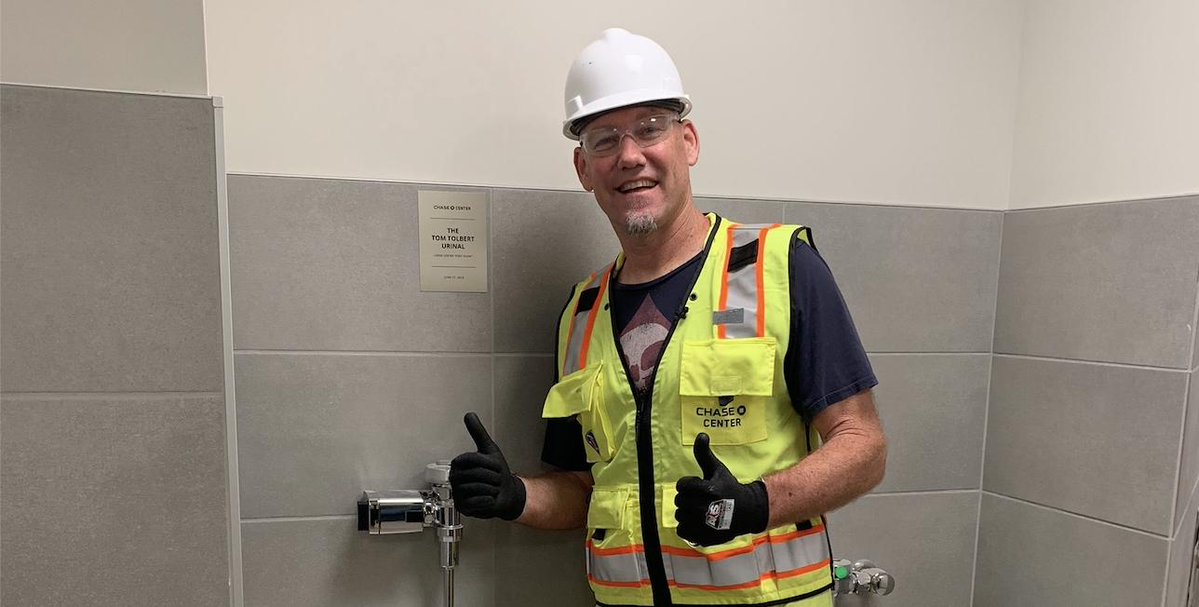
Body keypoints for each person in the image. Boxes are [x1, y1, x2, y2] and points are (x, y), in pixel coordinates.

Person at [450, 28, 886, 606]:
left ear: (689, 142)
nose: (630, 156)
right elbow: (589, 491)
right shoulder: (581, 316)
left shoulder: (781, 270)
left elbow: (863, 446)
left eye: (651, 128)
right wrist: (516, 497)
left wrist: (757, 502)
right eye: (605, 140)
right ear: (584, 169)